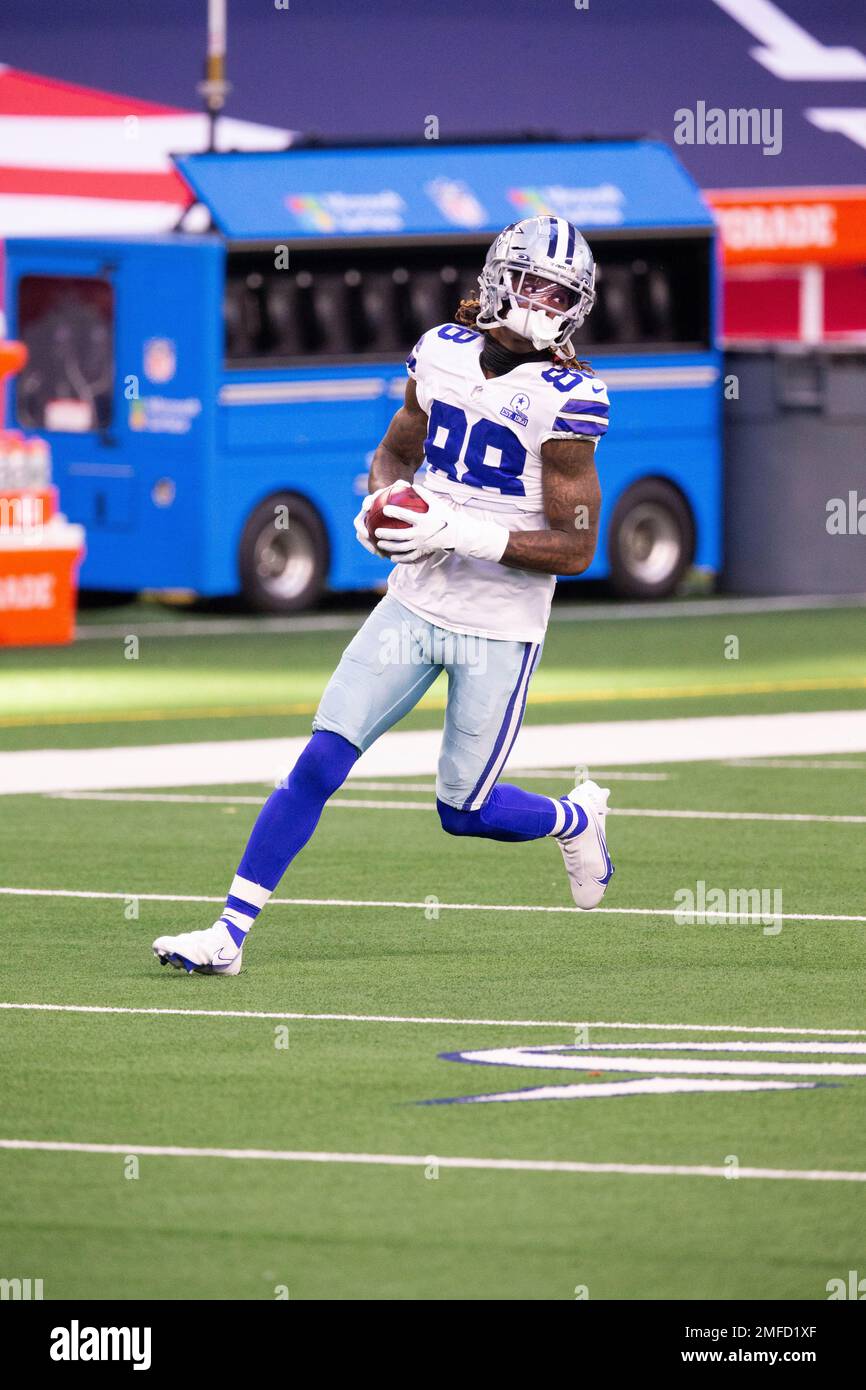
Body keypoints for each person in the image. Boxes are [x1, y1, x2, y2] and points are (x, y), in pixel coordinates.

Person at [153, 215, 614, 976]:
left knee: (463, 811)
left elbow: (578, 547)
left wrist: (460, 531)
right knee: (318, 763)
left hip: (498, 622)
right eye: (532, 282)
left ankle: (574, 817)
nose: (542, 301)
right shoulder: (440, 353)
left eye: (560, 292)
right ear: (499, 277)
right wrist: (380, 508)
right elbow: (398, 448)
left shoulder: (570, 400)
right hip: (413, 602)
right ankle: (228, 935)